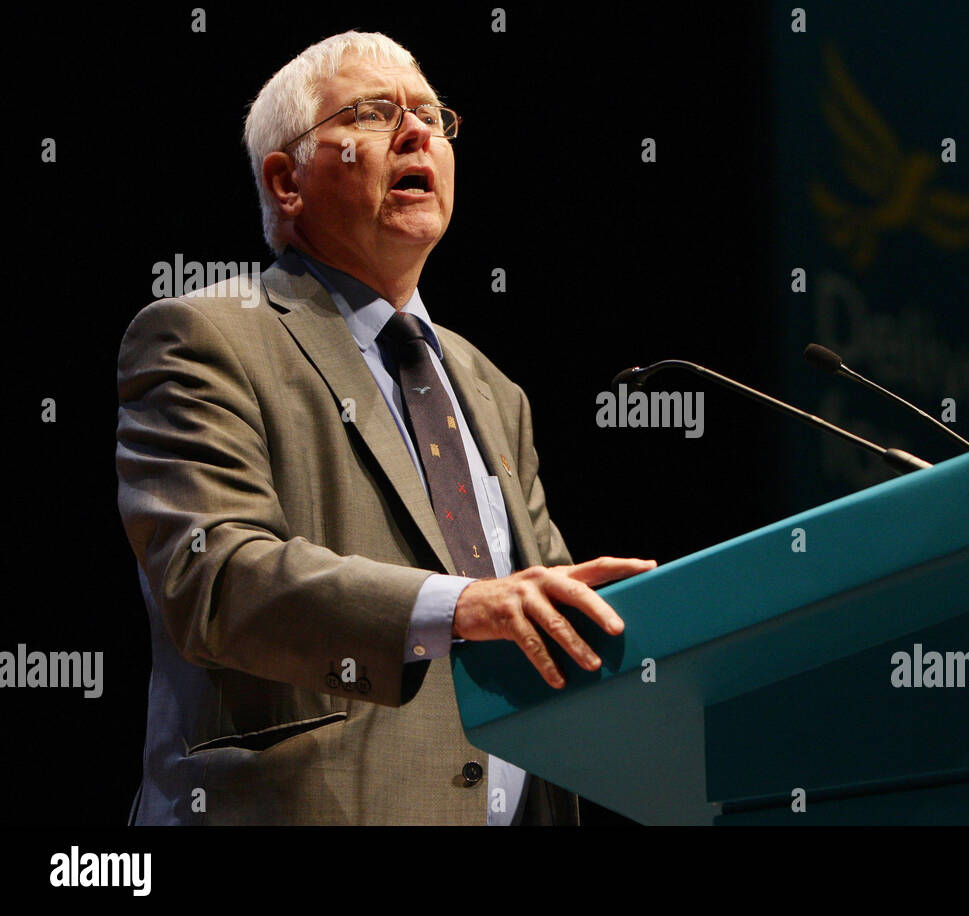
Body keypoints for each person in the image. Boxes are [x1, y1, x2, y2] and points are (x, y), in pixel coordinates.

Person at [114, 29, 656, 825]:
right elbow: (216, 579)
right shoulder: (203, 337)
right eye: (372, 112)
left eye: (432, 116)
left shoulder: (491, 388)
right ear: (284, 180)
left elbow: (536, 609)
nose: (416, 133)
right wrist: (458, 605)